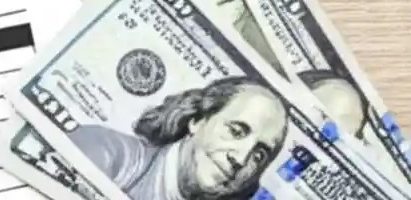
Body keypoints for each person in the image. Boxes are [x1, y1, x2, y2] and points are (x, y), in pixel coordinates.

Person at [69, 76, 288, 200]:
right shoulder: (106, 153)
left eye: (259, 156)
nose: (241, 159)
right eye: (236, 131)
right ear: (198, 120)